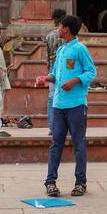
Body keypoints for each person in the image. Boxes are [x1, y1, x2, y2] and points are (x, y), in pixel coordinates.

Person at [43, 14, 97, 197]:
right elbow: (54, 75)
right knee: (56, 143)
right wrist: (45, 78)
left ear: (66, 29)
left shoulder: (80, 49)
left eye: (59, 26)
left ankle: (80, 182)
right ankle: (50, 182)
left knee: (78, 143)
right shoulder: (61, 50)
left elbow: (91, 72)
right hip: (58, 104)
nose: (57, 29)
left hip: (76, 104)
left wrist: (75, 80)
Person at [42, 8, 66, 138]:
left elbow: (47, 57)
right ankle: (64, 126)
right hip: (65, 68)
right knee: (64, 96)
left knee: (52, 97)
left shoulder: (49, 36)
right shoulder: (68, 34)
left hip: (52, 68)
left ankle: (52, 127)